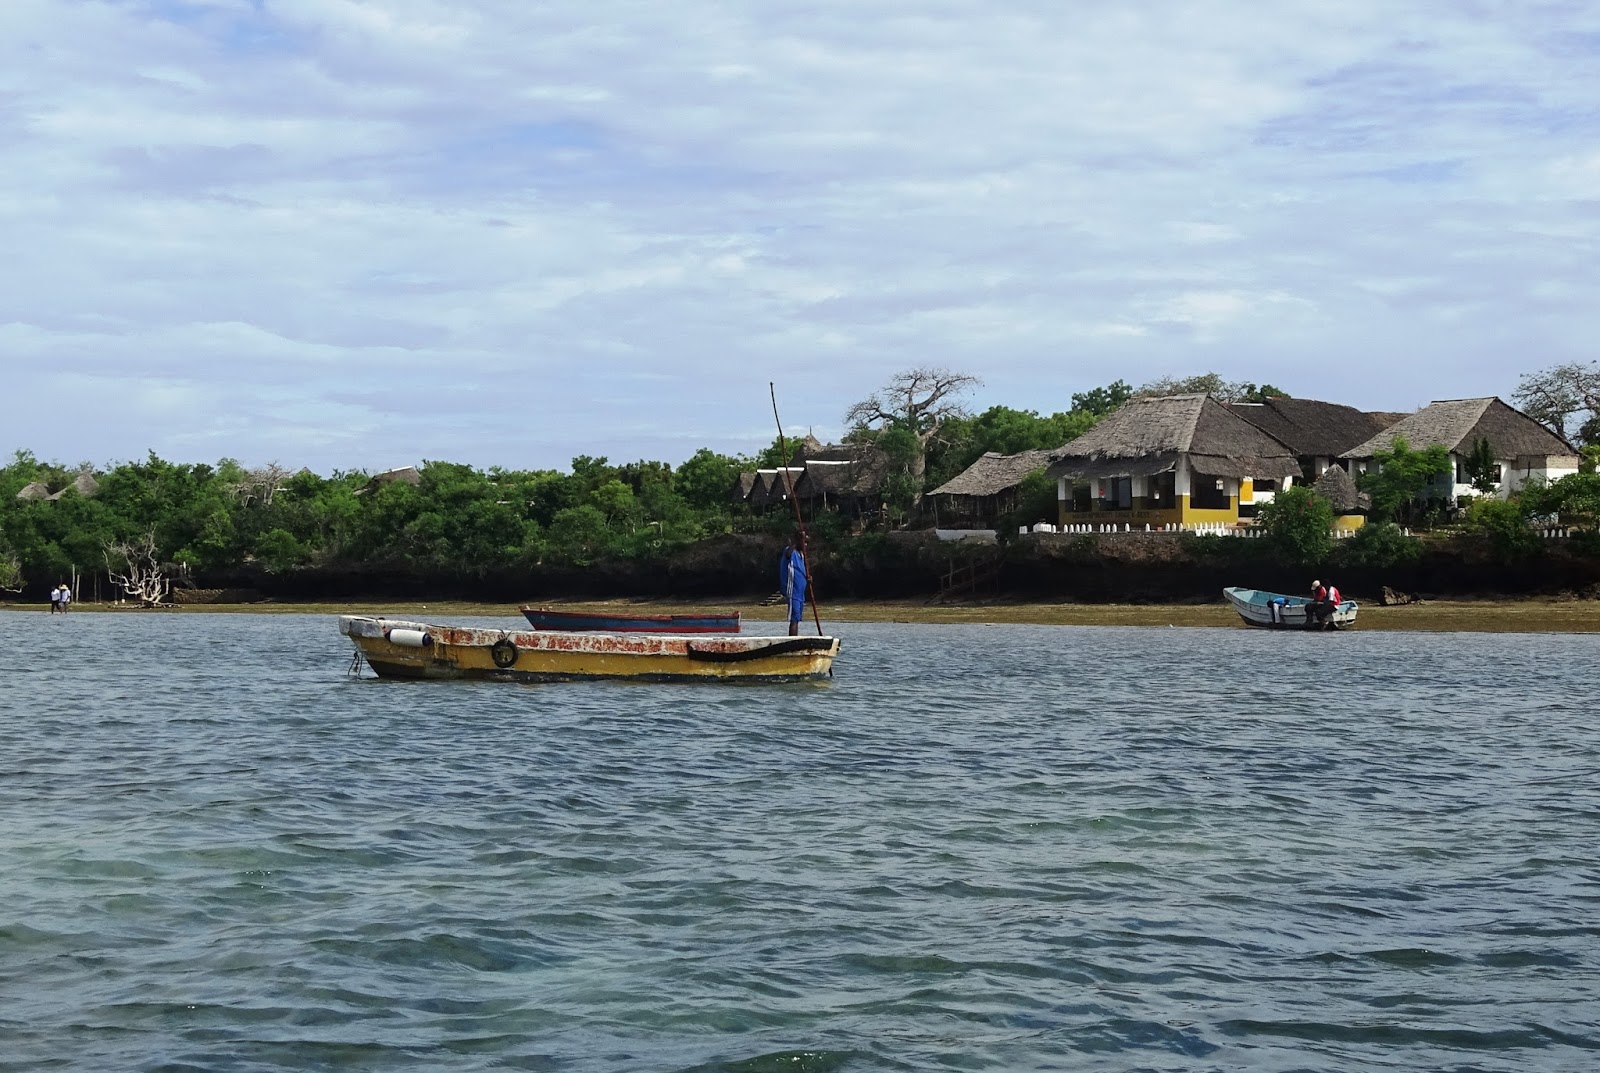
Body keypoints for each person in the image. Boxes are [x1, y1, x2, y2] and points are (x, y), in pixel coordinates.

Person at [779, 532, 808, 636]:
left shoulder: (802, 555)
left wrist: (808, 578)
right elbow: (787, 555)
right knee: (794, 618)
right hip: (793, 591)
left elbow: (801, 571)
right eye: (804, 542)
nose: (806, 545)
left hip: (801, 593)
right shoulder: (790, 551)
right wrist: (797, 541)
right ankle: (792, 639)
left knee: (797, 617)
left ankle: (795, 638)